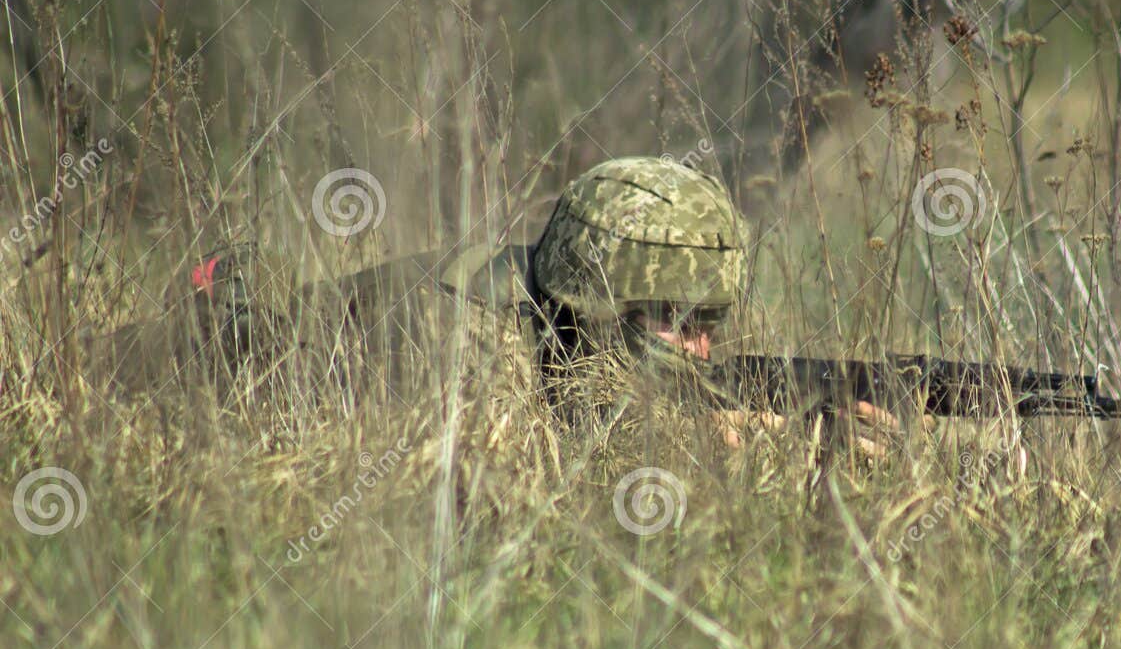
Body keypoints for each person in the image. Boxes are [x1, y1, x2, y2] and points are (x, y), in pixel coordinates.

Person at [91, 157, 897, 449]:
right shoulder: (460, 332)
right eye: (667, 321)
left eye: (707, 326)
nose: (695, 350)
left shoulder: (567, 328)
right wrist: (727, 441)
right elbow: (487, 470)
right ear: (592, 299)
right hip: (142, 375)